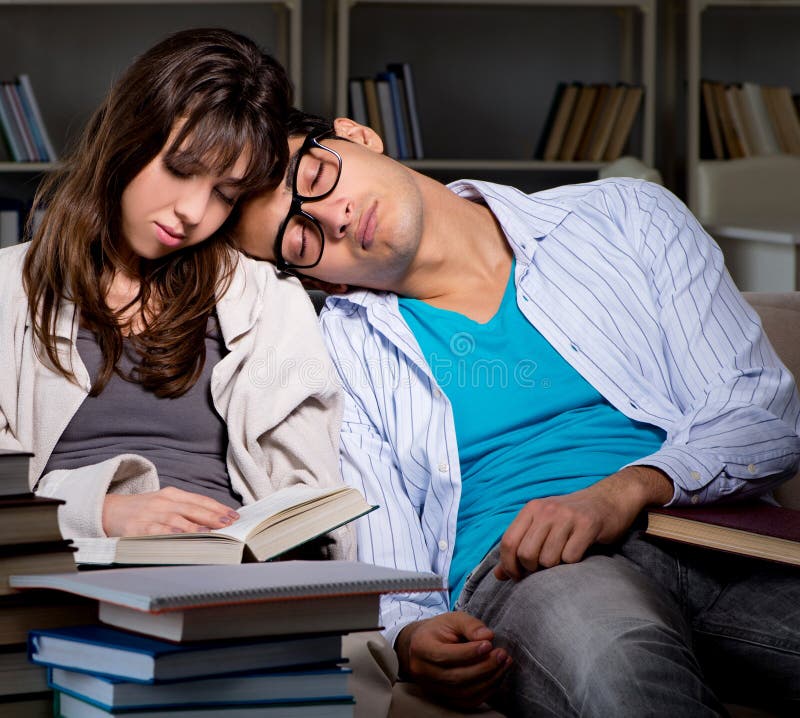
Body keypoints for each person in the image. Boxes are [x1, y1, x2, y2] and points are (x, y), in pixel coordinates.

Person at [235, 109, 800, 716]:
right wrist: (407, 635)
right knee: (625, 671)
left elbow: (762, 410)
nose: (333, 216)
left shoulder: (629, 217)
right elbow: (383, 539)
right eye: (301, 237)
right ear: (325, 281)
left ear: (357, 136)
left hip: (714, 537)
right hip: (531, 571)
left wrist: (628, 490)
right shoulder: (341, 352)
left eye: (315, 175)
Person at [0, 31, 352, 561]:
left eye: (224, 194)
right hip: (68, 571)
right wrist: (100, 513)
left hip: (234, 582)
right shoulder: (11, 289)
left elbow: (311, 492)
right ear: (129, 133)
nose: (193, 211)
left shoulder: (266, 301)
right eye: (181, 168)